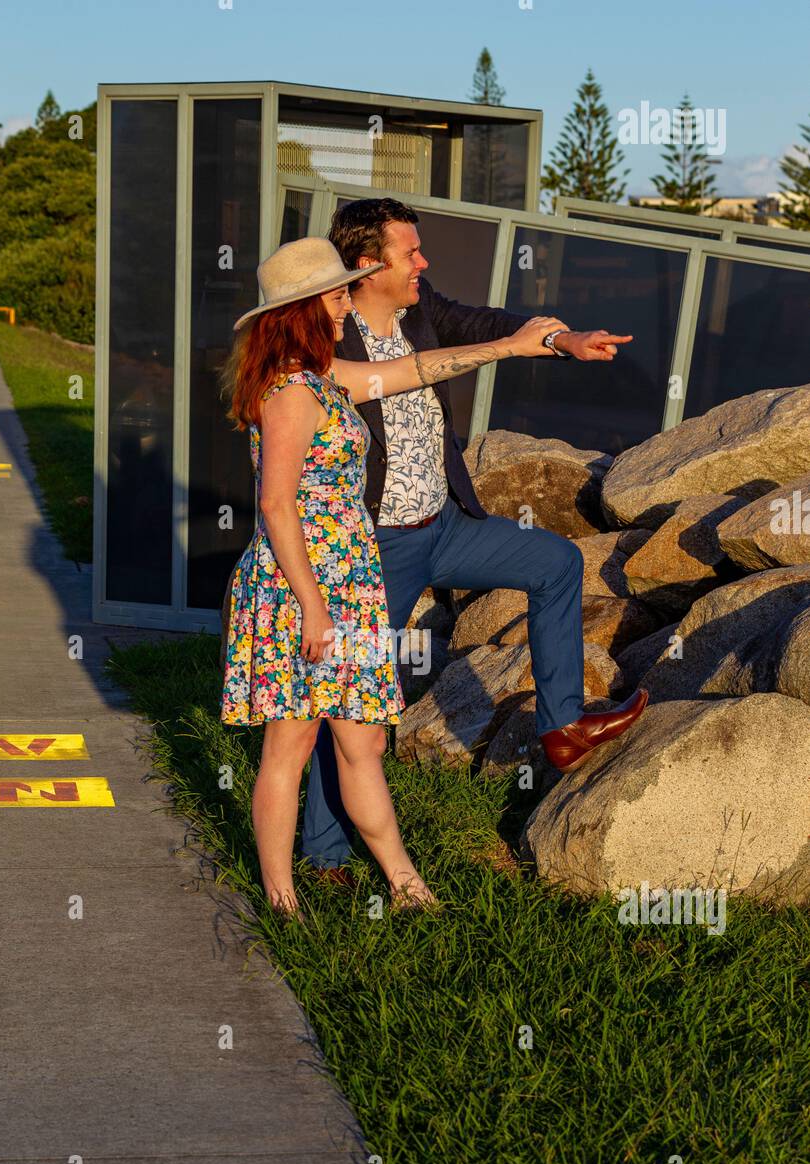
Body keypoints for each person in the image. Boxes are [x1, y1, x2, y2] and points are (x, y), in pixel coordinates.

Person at [217, 236, 571, 916]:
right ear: (308, 306)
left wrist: (511, 346)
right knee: (289, 745)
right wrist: (315, 609)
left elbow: (412, 370)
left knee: (364, 740)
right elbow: (274, 503)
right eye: (338, 290)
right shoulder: (291, 391)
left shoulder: (322, 375)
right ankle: (281, 898)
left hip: (347, 579)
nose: (348, 297)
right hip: (305, 587)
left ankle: (408, 887)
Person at [300, 197, 649, 883]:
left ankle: (563, 727)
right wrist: (506, 347)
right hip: (378, 546)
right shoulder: (326, 338)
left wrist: (560, 341)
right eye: (411, 253)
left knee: (554, 562)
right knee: (351, 696)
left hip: (446, 524)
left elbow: (493, 322)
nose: (424, 264)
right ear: (368, 266)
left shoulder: (423, 312)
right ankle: (324, 856)